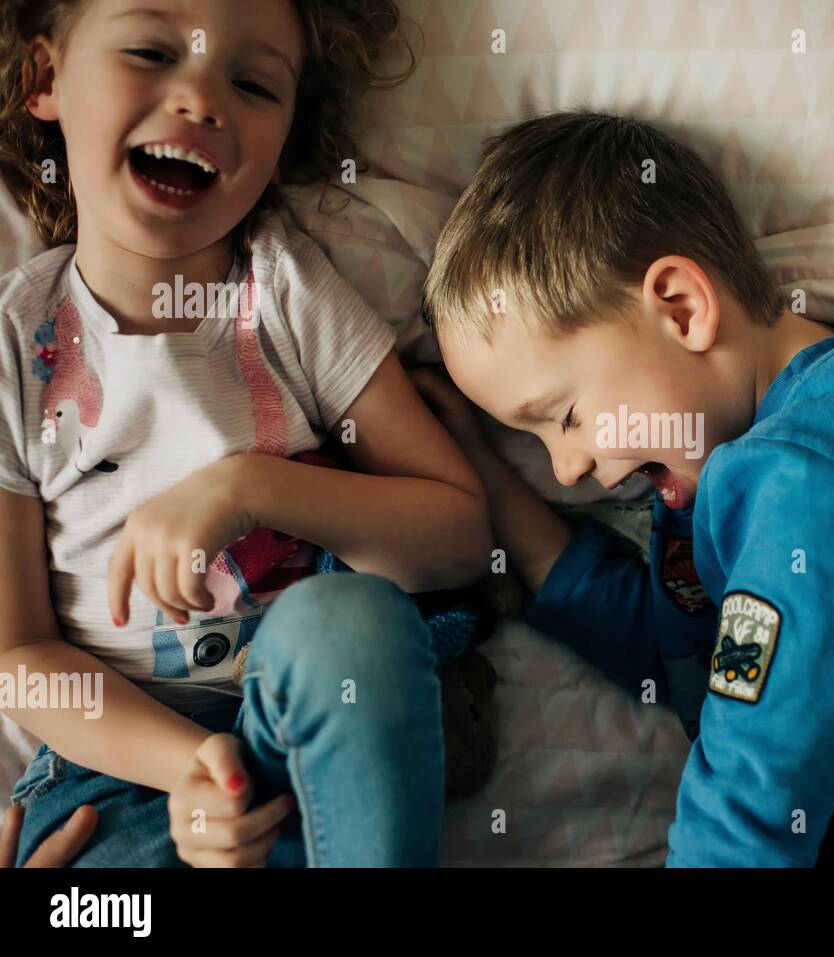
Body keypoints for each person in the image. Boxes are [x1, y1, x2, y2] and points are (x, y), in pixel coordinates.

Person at [416, 110, 834, 867]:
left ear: (681, 307)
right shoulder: (738, 456)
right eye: (535, 440)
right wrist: (486, 479)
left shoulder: (815, 473)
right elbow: (685, 658)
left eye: (567, 416)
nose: (566, 469)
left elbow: (761, 777)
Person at [0, 0, 490, 867]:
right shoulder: (14, 342)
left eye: (254, 82)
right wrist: (189, 765)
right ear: (44, 80)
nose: (201, 99)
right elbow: (19, 654)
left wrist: (249, 486)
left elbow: (458, 535)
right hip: (119, 769)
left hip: (315, 724)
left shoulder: (288, 291)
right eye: (151, 51)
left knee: (353, 619)